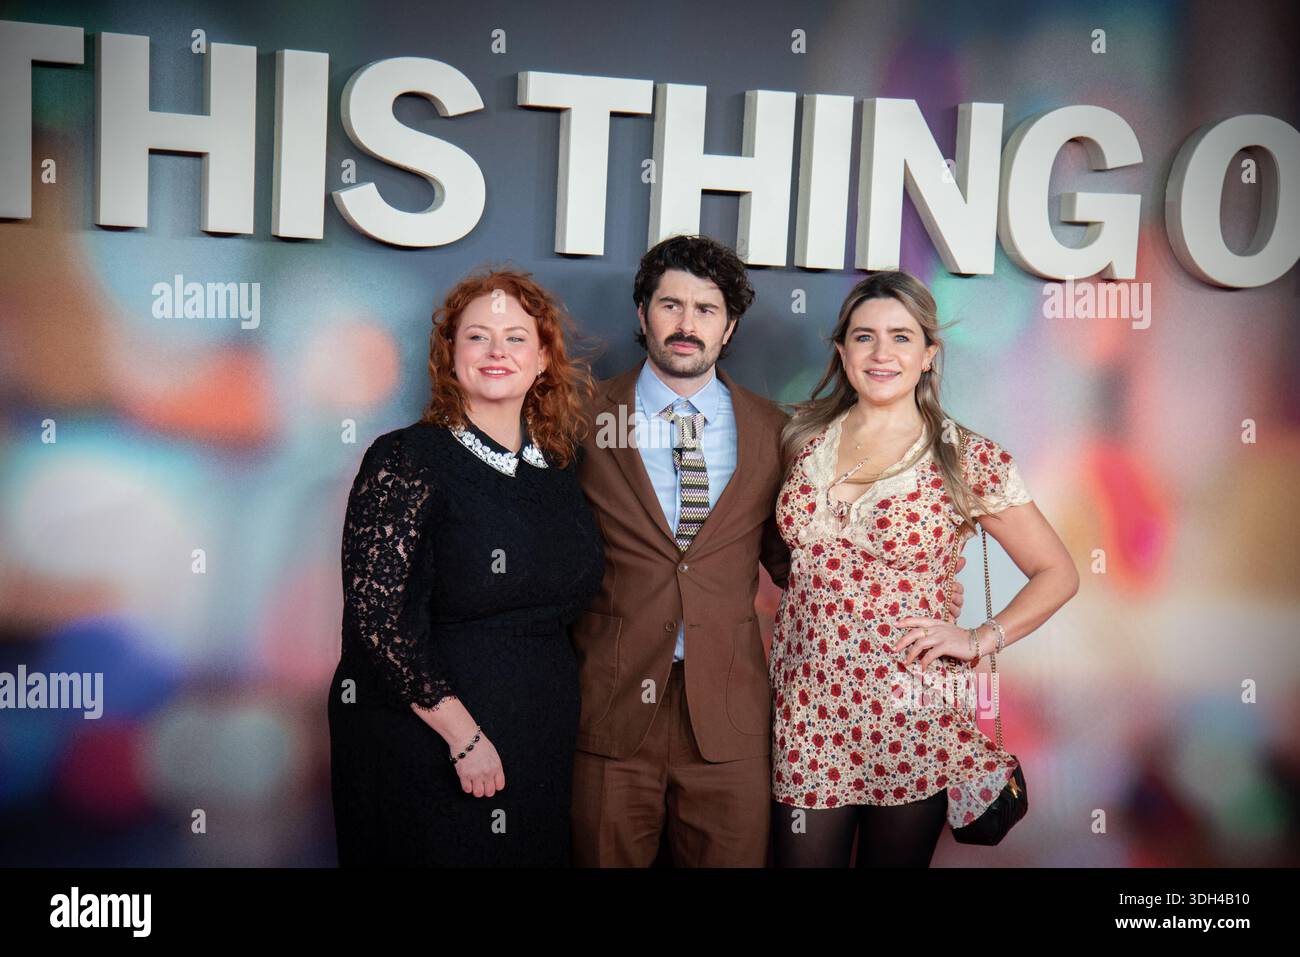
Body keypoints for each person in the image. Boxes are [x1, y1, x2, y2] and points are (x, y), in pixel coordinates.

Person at [569, 235, 965, 866]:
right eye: (670, 305)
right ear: (641, 314)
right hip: (610, 708)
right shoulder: (578, 415)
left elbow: (800, 561)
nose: (686, 324)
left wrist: (906, 616)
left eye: (707, 310)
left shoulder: (775, 430)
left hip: (731, 717)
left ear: (729, 329)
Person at [768, 270, 1079, 867]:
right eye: (864, 337)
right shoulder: (801, 439)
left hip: (912, 710)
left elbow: (1057, 571)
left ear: (929, 354)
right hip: (808, 713)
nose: (882, 353)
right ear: (841, 350)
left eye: (901, 337)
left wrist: (978, 637)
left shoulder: (965, 457)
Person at [328, 268, 605, 866]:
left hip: (538, 744)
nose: (497, 352)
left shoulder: (560, 467)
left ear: (543, 360)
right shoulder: (406, 459)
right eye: (478, 337)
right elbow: (380, 620)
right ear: (450, 356)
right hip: (435, 747)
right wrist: (464, 738)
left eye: (515, 338)